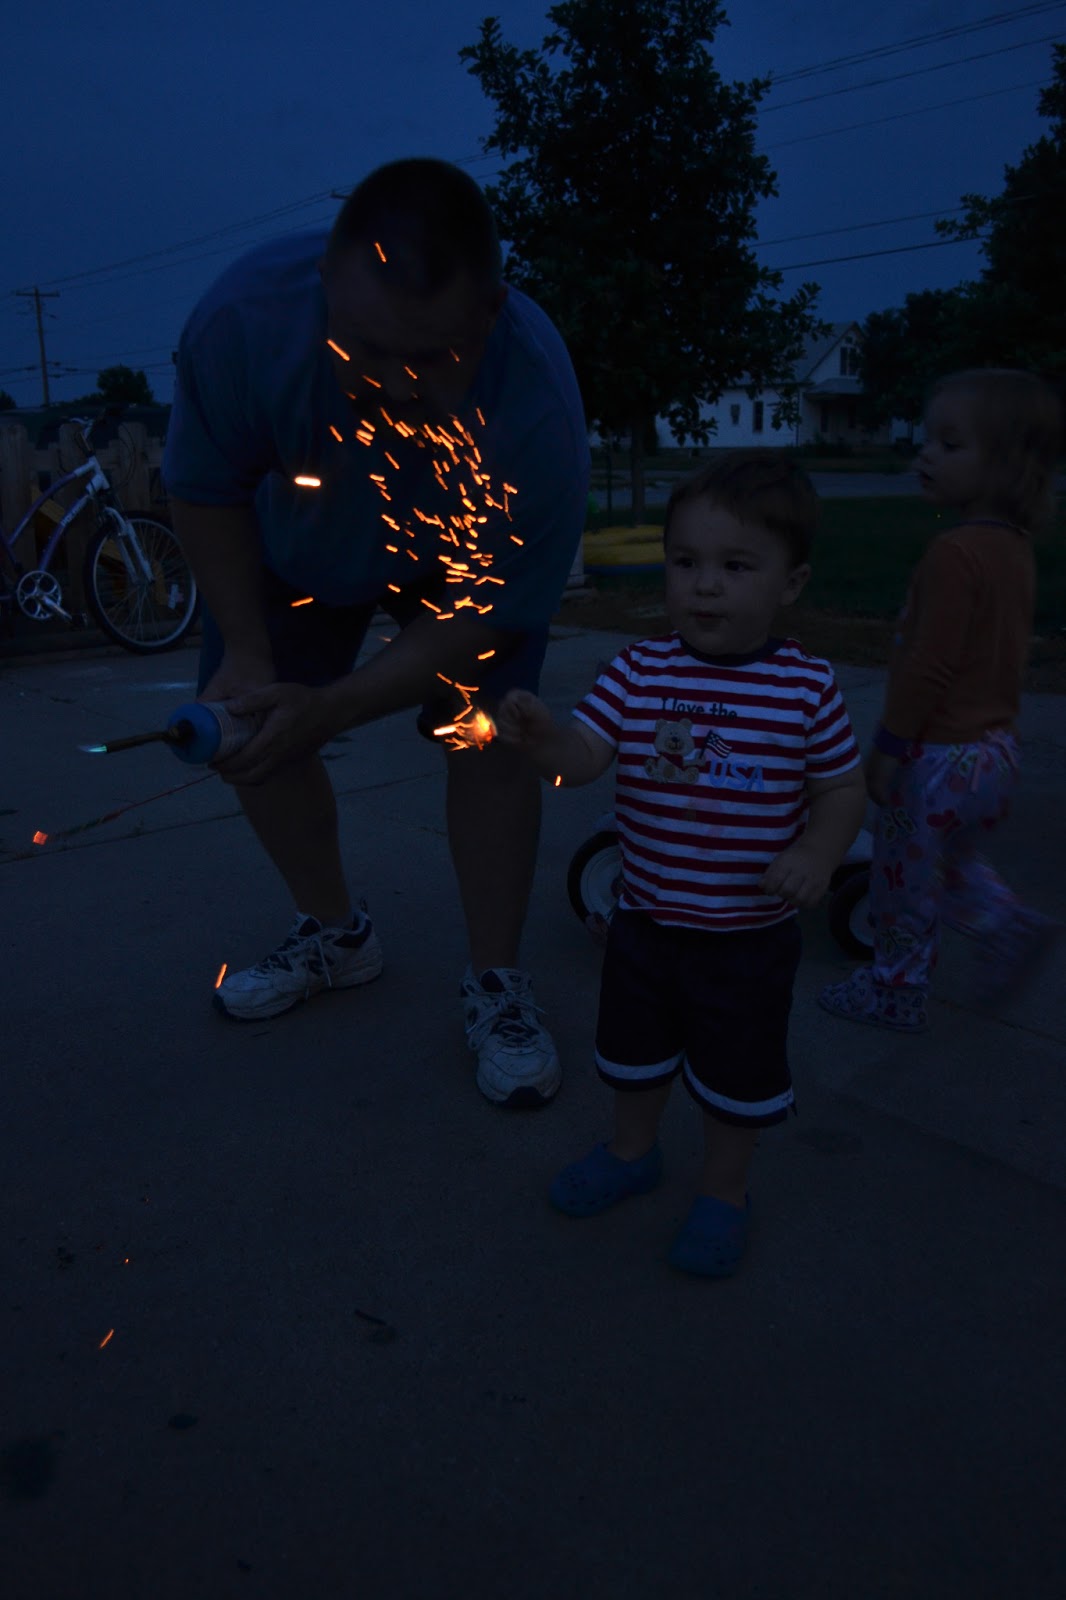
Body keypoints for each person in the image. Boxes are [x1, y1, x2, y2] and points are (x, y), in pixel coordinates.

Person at [162, 157, 590, 1107]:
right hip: (296, 549)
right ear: (324, 283)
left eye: (428, 357)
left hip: (457, 567)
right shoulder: (242, 322)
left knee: (489, 737)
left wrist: (339, 704)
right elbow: (202, 488)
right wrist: (247, 649)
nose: (390, 385)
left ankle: (495, 982)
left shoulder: (536, 414)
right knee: (252, 734)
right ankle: (336, 935)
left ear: (491, 312)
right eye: (361, 346)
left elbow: (484, 609)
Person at [496, 452, 867, 1277]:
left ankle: (724, 1190)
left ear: (791, 584)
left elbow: (843, 787)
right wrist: (545, 740)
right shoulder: (638, 670)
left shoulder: (805, 687)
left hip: (747, 938)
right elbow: (587, 755)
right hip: (645, 923)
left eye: (736, 567)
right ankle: (634, 1153)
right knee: (634, 1056)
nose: (704, 587)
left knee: (738, 1077)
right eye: (686, 563)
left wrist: (817, 850)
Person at [818, 368, 1062, 1034]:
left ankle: (894, 990)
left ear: (1006, 468)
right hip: (995, 755)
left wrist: (890, 748)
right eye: (930, 440)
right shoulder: (1013, 550)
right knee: (951, 865)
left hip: (938, 759)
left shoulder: (953, 553)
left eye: (950, 445)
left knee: (901, 884)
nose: (926, 453)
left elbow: (928, 666)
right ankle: (1006, 922)